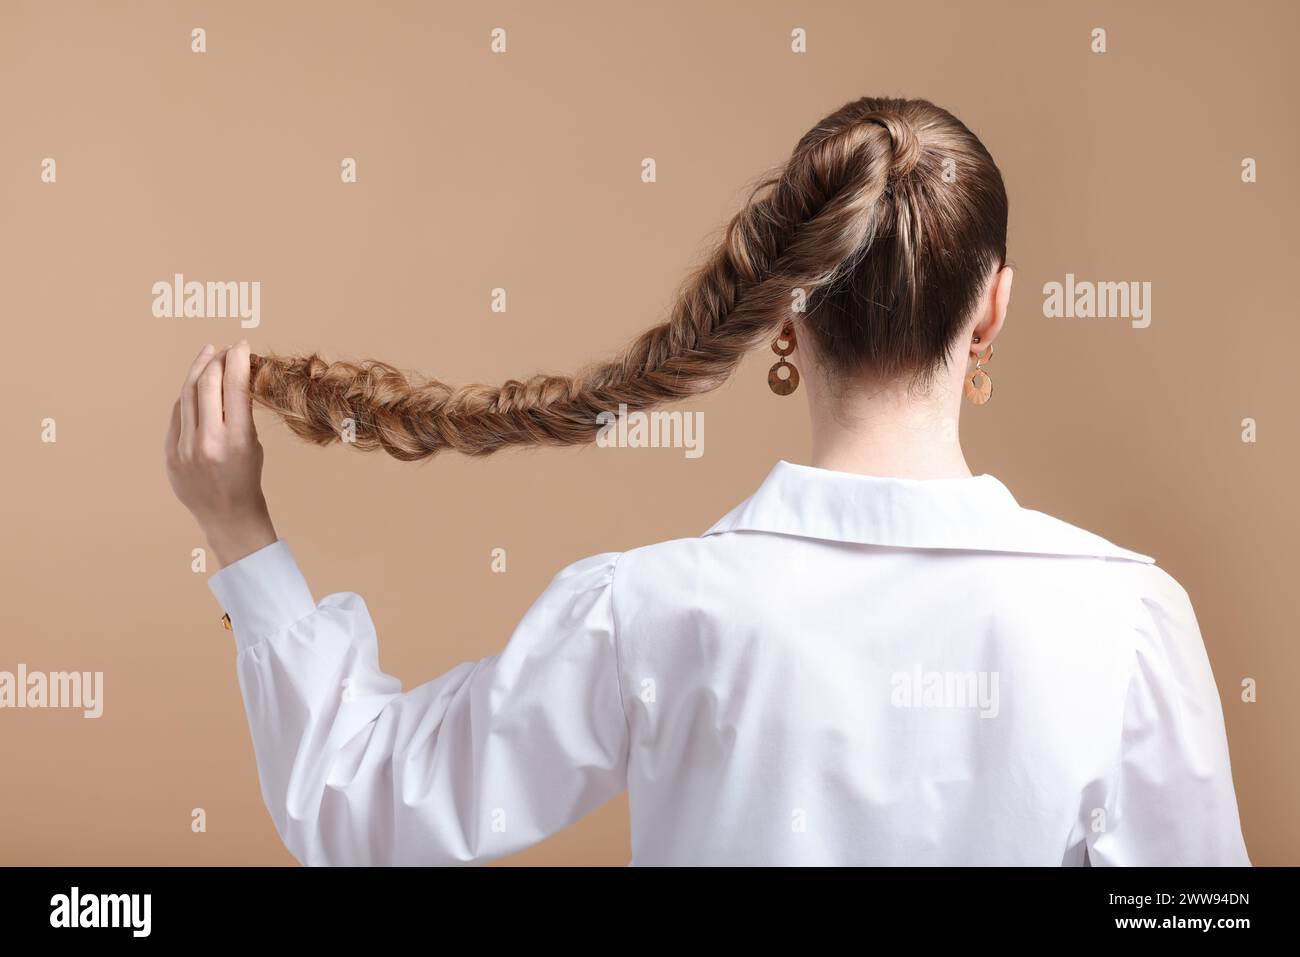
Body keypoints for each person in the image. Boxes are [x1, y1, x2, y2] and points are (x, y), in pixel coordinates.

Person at [163, 97, 1249, 866]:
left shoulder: (653, 610)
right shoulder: (1128, 623)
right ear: (995, 307)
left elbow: (360, 810)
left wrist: (240, 533)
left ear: (784, 309)